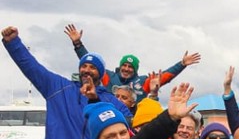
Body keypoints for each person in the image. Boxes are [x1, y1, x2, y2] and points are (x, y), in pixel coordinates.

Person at [2, 25, 131, 139]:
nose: (87, 70)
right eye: (84, 66)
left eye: (93, 67)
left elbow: (128, 125)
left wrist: (95, 100)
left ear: (100, 74)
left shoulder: (112, 101)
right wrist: (13, 42)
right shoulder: (57, 88)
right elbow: (32, 68)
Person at [64, 23, 201, 101]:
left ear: (135, 70)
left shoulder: (142, 82)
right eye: (124, 65)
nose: (126, 68)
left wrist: (181, 64)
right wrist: (77, 43)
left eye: (130, 67)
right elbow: (92, 65)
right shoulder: (108, 77)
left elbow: (164, 76)